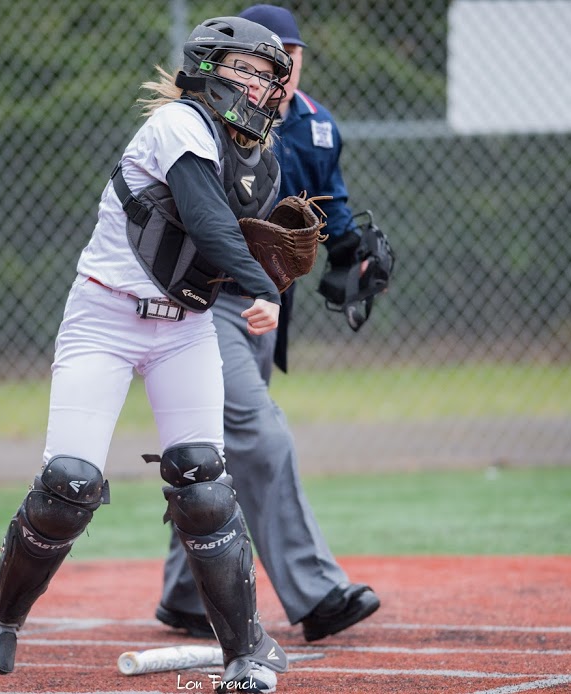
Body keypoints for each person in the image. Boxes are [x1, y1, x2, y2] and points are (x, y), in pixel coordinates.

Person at [0, 16, 295, 692]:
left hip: (184, 330)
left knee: (203, 484)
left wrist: (278, 278)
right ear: (207, 66)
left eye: (266, 76)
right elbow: (204, 220)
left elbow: (238, 238)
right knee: (68, 484)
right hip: (104, 318)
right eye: (244, 69)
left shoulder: (258, 160)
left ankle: (246, 652)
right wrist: (265, 284)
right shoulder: (178, 124)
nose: (256, 84)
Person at [156, 4, 381, 644]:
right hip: (203, 299)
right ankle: (317, 594)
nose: (280, 62)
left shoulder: (314, 127)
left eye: (289, 50)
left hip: (260, 307)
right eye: (262, 53)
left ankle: (187, 594)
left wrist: (349, 252)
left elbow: (329, 207)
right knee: (259, 433)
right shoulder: (211, 121)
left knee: (215, 449)